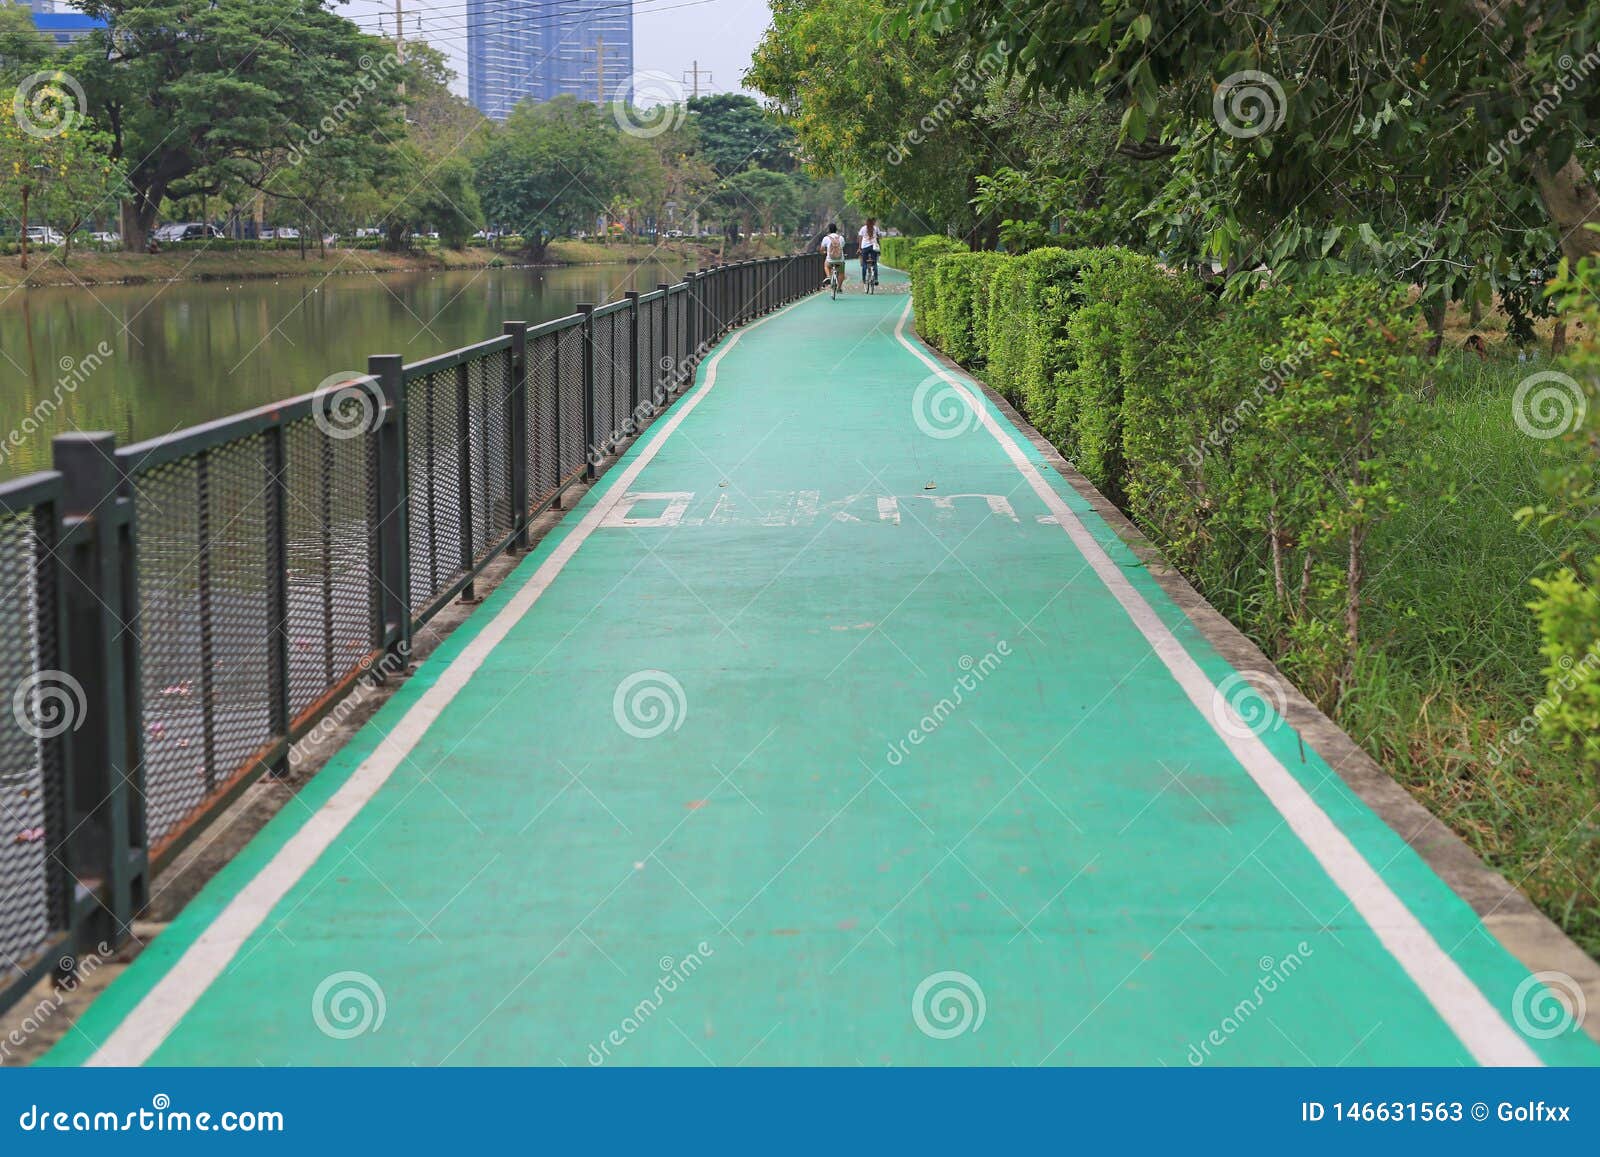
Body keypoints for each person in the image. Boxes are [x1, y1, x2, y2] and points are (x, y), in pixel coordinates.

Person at [819, 223, 846, 295]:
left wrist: (824, 252)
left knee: (826, 266)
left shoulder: (826, 238)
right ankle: (839, 288)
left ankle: (828, 276)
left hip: (830, 259)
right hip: (840, 259)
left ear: (829, 230)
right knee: (841, 273)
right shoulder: (841, 238)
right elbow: (842, 246)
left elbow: (821, 249)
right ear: (836, 229)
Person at [858, 217, 881, 285]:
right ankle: (876, 279)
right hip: (874, 247)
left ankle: (864, 279)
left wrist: (859, 247)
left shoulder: (863, 228)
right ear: (873, 222)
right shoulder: (876, 228)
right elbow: (879, 237)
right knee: (874, 263)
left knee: (864, 263)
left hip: (865, 247)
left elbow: (860, 238)